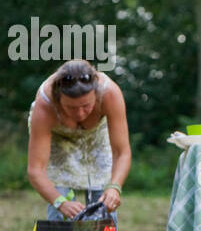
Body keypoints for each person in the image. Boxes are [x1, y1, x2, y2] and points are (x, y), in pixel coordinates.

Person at [26, 59, 131, 221]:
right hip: (57, 137)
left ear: (96, 96)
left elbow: (121, 152)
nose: (80, 114)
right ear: (59, 99)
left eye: (86, 106)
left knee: (104, 203)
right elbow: (35, 170)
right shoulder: (45, 105)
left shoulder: (110, 93)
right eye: (71, 108)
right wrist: (60, 202)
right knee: (60, 210)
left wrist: (114, 187)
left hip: (96, 135)